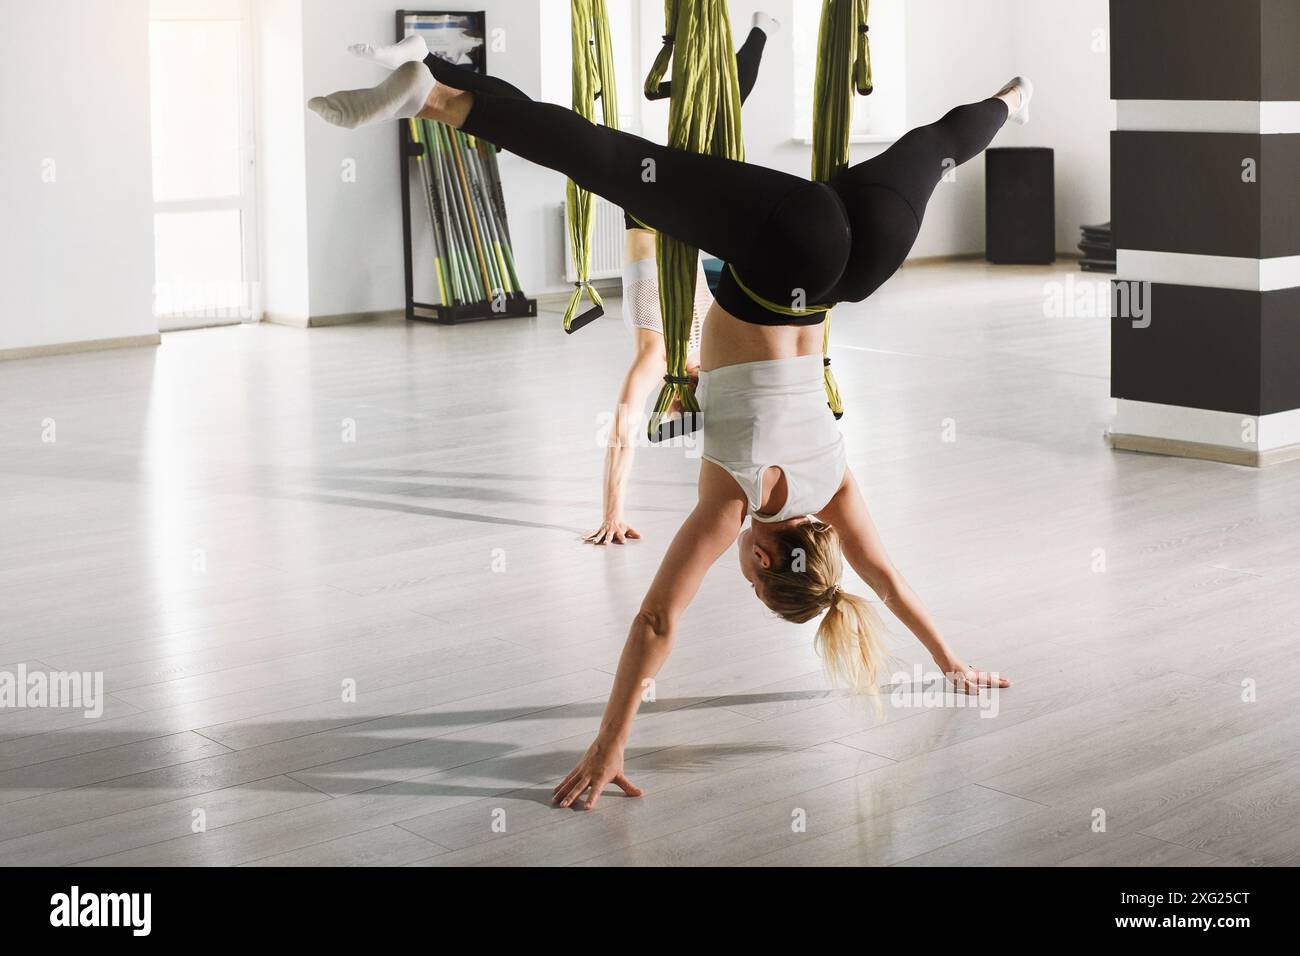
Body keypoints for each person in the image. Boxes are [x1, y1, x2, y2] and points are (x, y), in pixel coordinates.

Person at [309, 30, 1028, 811]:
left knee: (938, 147)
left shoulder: (833, 491)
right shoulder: (733, 500)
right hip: (784, 245)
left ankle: (1013, 99)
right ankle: (437, 95)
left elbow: (887, 583)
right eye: (753, 583)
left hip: (858, 266)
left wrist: (951, 660)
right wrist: (610, 741)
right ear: (760, 564)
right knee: (612, 163)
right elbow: (656, 619)